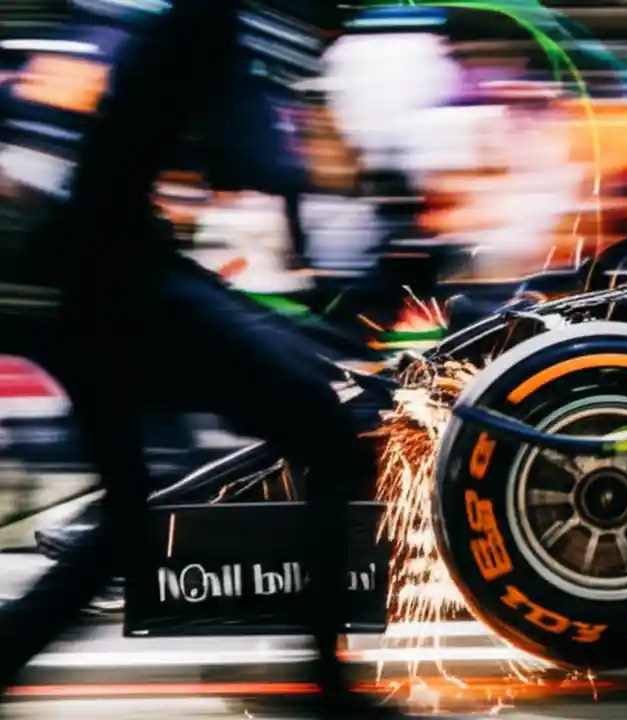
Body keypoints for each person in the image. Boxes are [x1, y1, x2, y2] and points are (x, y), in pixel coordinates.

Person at [0, 2, 408, 717]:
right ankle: (325, 682)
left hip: (74, 286)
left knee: (129, 519)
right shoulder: (207, 18)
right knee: (326, 431)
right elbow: (247, 159)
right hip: (124, 282)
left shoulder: (137, 17)